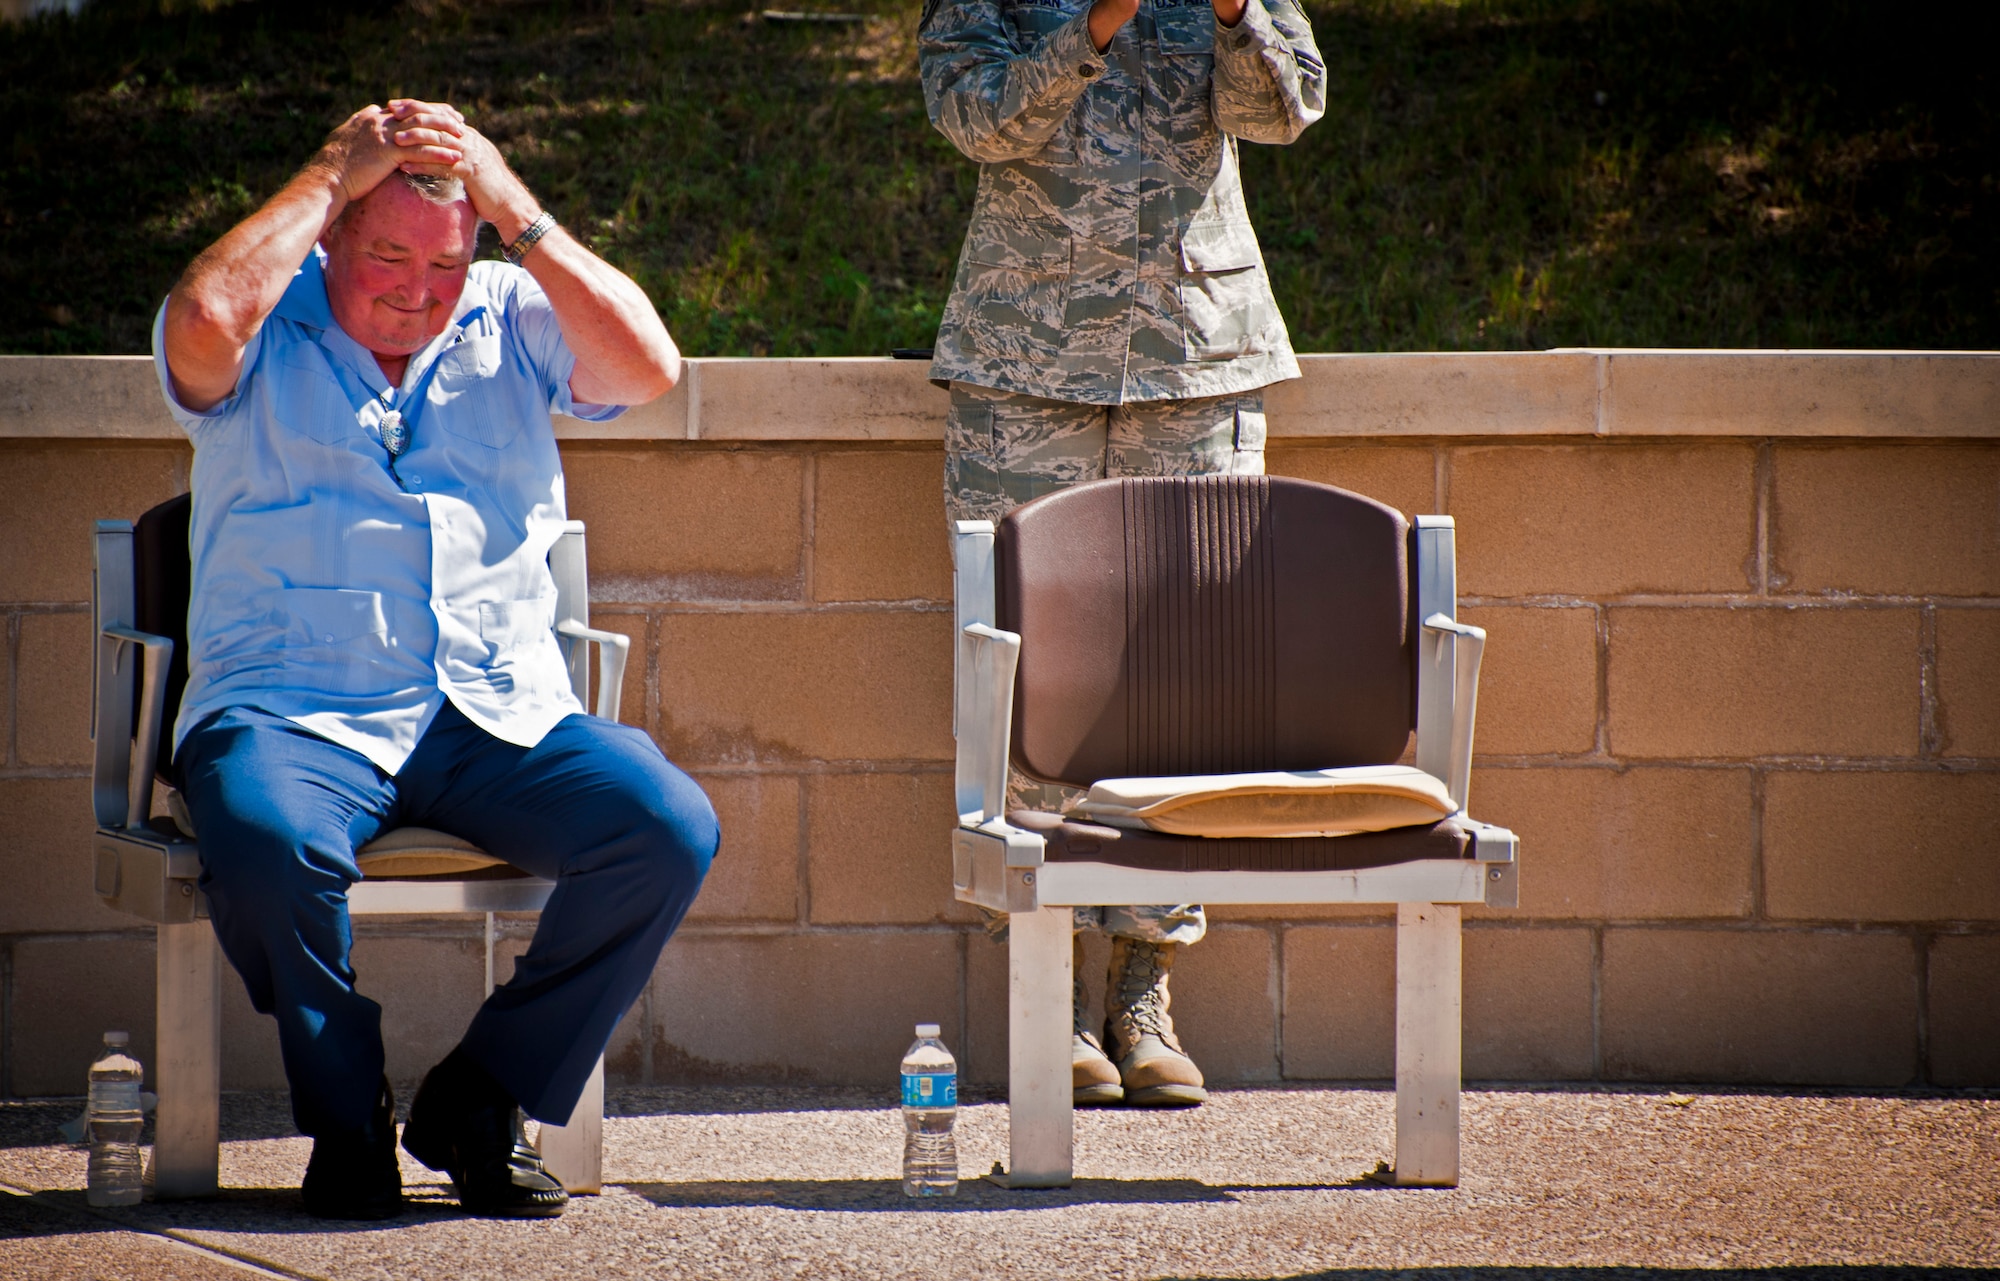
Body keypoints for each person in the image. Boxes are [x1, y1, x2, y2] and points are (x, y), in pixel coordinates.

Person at [152, 99, 718, 1221]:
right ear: (330, 241)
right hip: (290, 710)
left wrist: (510, 204)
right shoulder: (268, 317)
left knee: (663, 826)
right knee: (266, 841)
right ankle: (345, 1113)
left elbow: (650, 367)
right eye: (388, 255)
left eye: (447, 259)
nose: (419, 286)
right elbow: (202, 313)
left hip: (489, 713)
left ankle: (482, 1097)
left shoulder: (510, 313)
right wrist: (327, 169)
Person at [920, 0, 1324, 1107]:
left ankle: (1142, 987)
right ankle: (1046, 991)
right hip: (1023, 362)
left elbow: (1285, 109)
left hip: (1195, 363)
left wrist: (1240, 15)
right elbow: (971, 118)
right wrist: (1091, 27)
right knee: (1019, 672)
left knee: (1186, 675)